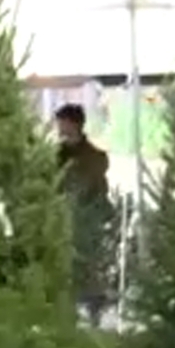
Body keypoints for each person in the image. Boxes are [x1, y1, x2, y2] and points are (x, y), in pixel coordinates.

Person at [54, 103, 117, 327]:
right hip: (61, 221)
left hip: (88, 222)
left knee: (90, 268)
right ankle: (67, 314)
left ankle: (94, 313)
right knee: (63, 268)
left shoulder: (95, 157)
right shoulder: (54, 156)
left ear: (74, 124)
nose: (59, 127)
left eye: (62, 122)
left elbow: (96, 188)